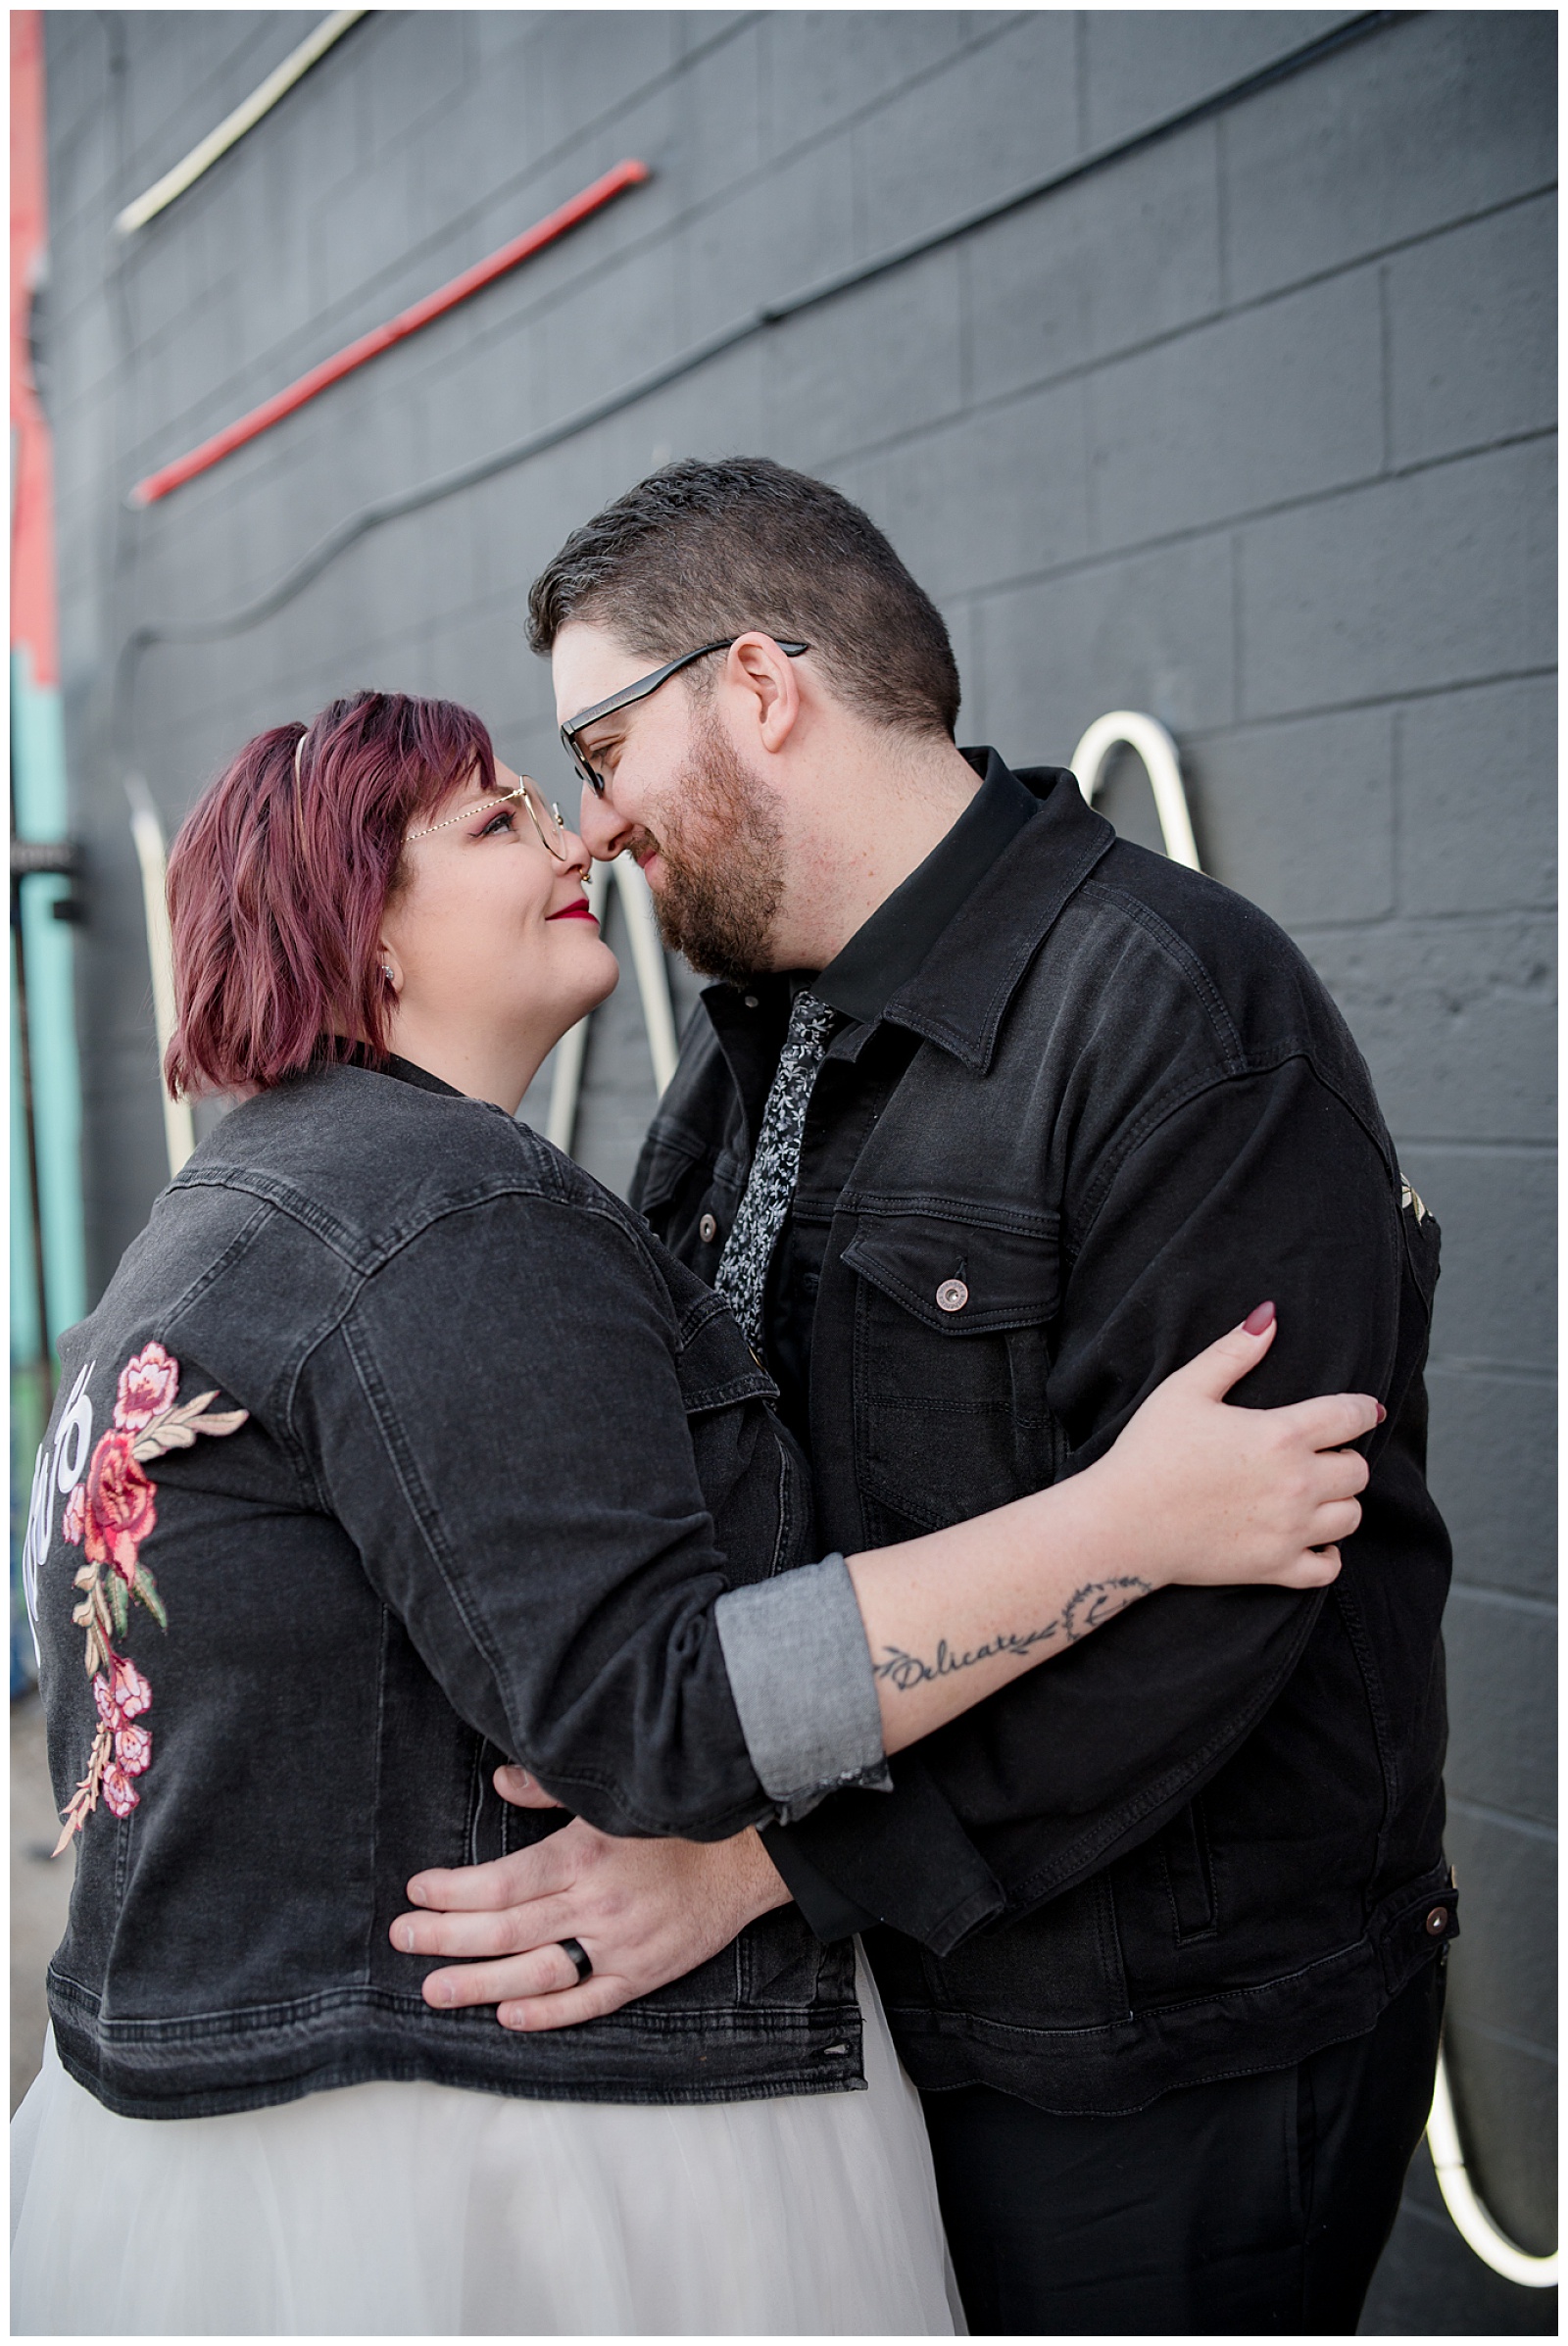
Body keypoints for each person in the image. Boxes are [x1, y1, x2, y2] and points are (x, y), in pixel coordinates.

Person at [10, 690, 1376, 2338]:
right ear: (360, 919)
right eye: (502, 820)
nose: (578, 834)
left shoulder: (224, 1214)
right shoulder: (440, 1209)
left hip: (259, 2123)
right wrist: (1128, 1522)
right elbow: (663, 1719)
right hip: (512, 2171)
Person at [402, 461, 1456, 2336]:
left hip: (1152, 2053)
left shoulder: (1177, 1014)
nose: (592, 819)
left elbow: (1231, 1597)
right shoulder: (750, 1057)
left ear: (758, 688)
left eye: (599, 738)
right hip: (892, 2019)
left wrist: (760, 1866)